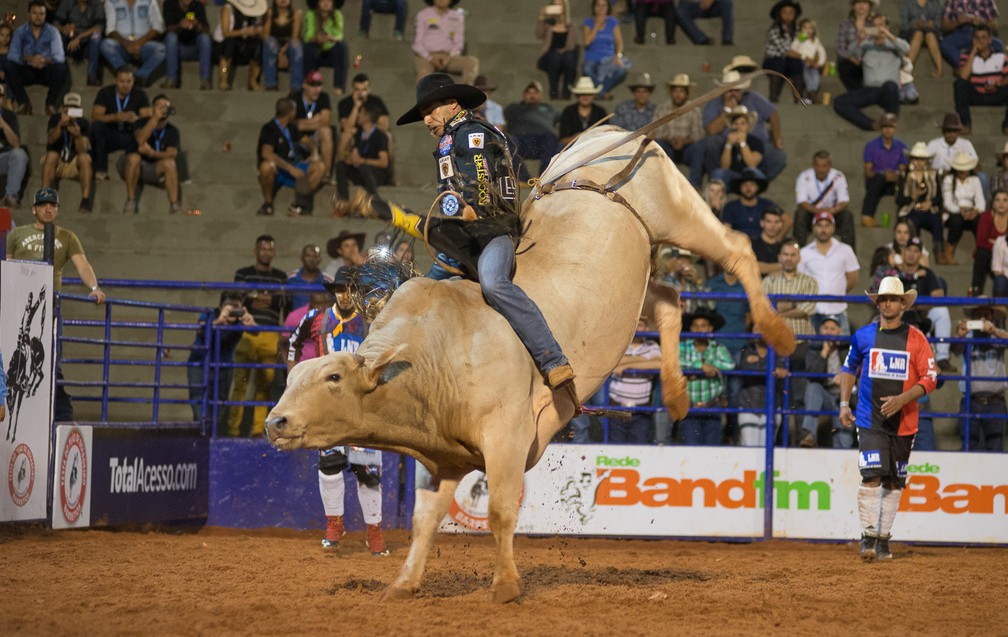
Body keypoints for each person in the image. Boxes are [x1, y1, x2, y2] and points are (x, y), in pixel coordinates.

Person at [347, 73, 577, 395]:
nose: (426, 120)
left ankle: (552, 358)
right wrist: (458, 213)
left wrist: (467, 210)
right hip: (465, 238)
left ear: (451, 104)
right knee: (417, 295)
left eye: (430, 111)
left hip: (492, 232)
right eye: (423, 114)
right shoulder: (454, 137)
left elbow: (479, 182)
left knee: (494, 282)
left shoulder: (470, 135)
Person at [287, 268, 389, 555]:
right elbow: (292, 344)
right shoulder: (316, 318)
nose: (345, 294)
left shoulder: (371, 322)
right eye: (341, 289)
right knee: (330, 465)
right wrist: (293, 382)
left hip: (363, 406)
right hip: (329, 407)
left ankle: (374, 532)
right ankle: (334, 524)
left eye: (350, 289)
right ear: (334, 291)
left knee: (368, 472)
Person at [840, 275, 938, 562]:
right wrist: (844, 403)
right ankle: (869, 537)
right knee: (871, 475)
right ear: (879, 303)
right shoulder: (863, 335)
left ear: (902, 304)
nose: (888, 303)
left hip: (904, 421)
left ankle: (882, 540)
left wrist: (902, 399)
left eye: (893, 299)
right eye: (884, 299)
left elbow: (930, 378)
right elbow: (849, 367)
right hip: (870, 418)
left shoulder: (917, 339)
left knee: (894, 482)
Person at [6, 187, 106, 422]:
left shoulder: (67, 237)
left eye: (52, 204)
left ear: (58, 210)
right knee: (15, 361)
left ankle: (61, 416)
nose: (48, 208)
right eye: (43, 205)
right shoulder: (16, 235)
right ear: (34, 209)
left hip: (49, 308)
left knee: (51, 363)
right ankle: (19, 414)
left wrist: (94, 288)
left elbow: (83, 265)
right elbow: (8, 269)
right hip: (19, 305)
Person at [227, 234, 287, 437]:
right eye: (263, 249)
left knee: (265, 385)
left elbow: (279, 302)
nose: (267, 253)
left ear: (274, 252)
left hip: (271, 333)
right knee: (240, 384)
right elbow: (239, 298)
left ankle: (257, 431)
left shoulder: (281, 276)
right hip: (246, 332)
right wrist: (265, 297)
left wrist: (255, 295)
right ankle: (233, 430)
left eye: (270, 249)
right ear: (256, 251)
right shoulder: (243, 273)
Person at [702, 67, 786, 183]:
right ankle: (717, 184)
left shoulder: (752, 97)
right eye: (729, 90)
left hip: (757, 143)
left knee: (779, 157)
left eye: (736, 90)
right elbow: (711, 130)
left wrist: (777, 139)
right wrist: (727, 110)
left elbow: (773, 113)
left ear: (741, 90)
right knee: (710, 142)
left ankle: (756, 184)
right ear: (723, 90)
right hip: (727, 143)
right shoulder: (715, 102)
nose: (733, 94)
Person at [833, 15, 909, 132]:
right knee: (839, 102)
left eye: (882, 25)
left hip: (888, 91)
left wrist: (888, 35)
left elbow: (906, 49)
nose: (879, 28)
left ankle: (890, 122)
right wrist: (859, 39)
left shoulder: (894, 45)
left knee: (891, 86)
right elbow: (851, 53)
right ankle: (872, 125)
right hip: (870, 90)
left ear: (887, 27)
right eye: (875, 26)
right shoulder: (866, 45)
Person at [187, 292, 255, 422]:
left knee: (220, 404)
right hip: (199, 364)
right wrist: (219, 321)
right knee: (198, 404)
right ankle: (202, 435)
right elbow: (201, 329)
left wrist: (252, 323)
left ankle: (211, 434)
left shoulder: (240, 320)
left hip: (224, 366)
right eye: (229, 306)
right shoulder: (209, 314)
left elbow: (257, 332)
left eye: (236, 307)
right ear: (220, 306)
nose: (233, 310)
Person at [894, 236, 956, 373]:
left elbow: (939, 295)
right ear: (903, 252)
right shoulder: (894, 272)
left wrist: (916, 305)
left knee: (941, 310)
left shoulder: (927, 273)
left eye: (915, 251)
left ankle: (942, 357)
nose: (911, 254)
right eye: (909, 249)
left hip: (922, 316)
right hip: (899, 315)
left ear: (920, 255)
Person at [256, 97, 326, 216]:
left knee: (320, 167)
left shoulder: (290, 127)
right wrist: (289, 168)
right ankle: (267, 204)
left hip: (294, 164)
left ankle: (299, 204)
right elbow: (266, 153)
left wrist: (314, 152)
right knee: (266, 167)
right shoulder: (269, 128)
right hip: (279, 169)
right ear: (291, 113)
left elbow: (307, 141)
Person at [952, 304, 1007, 451]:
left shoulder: (999, 335)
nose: (983, 319)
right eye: (978, 316)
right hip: (971, 401)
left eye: (987, 316)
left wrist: (994, 330)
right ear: (972, 319)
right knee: (968, 449)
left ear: (992, 318)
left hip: (996, 402)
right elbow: (954, 350)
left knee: (996, 452)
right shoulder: (966, 336)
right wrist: (960, 336)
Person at [678, 307, 734, 446]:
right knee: (691, 450)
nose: (699, 329)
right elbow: (674, 363)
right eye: (695, 326)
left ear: (710, 328)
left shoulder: (718, 348)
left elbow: (730, 364)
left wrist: (705, 365)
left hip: (712, 408)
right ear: (691, 328)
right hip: (689, 408)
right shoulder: (682, 347)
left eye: (703, 326)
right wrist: (702, 366)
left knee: (711, 451)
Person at [798, 211, 860, 334]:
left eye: (827, 225)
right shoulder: (804, 253)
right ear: (813, 228)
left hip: (838, 309)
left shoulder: (845, 250)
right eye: (820, 225)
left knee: (843, 350)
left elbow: (853, 278)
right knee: (813, 350)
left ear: (833, 228)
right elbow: (800, 281)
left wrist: (838, 290)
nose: (823, 229)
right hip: (813, 311)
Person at [4, 0, 68, 116]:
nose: (38, 17)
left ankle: (50, 104)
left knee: (62, 67)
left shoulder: (53, 32)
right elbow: (13, 55)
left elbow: (59, 57)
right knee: (9, 65)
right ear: (28, 14)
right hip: (27, 70)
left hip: (46, 70)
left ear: (45, 15)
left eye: (41, 14)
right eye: (35, 13)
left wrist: (44, 60)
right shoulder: (20, 32)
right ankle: (24, 103)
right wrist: (30, 59)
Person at [120, 93, 182, 214]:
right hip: (133, 165)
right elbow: (140, 139)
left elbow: (172, 154)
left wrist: (152, 153)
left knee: (170, 163)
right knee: (134, 158)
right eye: (159, 106)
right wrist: (154, 119)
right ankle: (131, 201)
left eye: (166, 107)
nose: (163, 109)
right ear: (152, 109)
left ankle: (174, 205)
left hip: (154, 167)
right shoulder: (140, 123)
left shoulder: (172, 131)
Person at [89, 65, 151, 181]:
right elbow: (95, 116)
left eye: (129, 81)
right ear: (116, 81)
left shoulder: (139, 94)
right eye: (122, 81)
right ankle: (100, 169)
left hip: (130, 135)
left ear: (133, 81)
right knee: (96, 127)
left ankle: (139, 170)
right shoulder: (105, 92)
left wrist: (136, 118)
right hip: (110, 133)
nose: (125, 85)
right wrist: (114, 117)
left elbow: (148, 117)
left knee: (145, 131)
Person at [607, 316, 661, 444]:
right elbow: (613, 362)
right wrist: (644, 359)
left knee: (639, 451)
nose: (637, 328)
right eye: (634, 324)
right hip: (617, 408)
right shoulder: (619, 345)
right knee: (615, 451)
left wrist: (626, 365)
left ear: (647, 328)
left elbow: (660, 364)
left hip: (642, 411)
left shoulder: (652, 345)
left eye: (640, 325)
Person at [953, 24, 1008, 135]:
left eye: (983, 38)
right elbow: (963, 76)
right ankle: (965, 124)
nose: (980, 41)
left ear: (989, 40)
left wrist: (997, 83)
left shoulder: (1001, 57)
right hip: (976, 94)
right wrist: (973, 52)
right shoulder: (966, 56)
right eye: (977, 38)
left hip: (995, 93)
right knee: (959, 84)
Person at [42, 92, 93, 212]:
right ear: (62, 109)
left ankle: (85, 201)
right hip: (57, 162)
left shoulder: (83, 123)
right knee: (52, 155)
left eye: (74, 109)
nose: (71, 112)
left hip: (74, 164)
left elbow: (83, 150)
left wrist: (78, 136)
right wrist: (60, 125)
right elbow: (51, 140)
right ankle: (43, 197)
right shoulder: (55, 119)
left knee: (85, 158)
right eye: (68, 109)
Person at [652, 73, 704, 188]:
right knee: (658, 145)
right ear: (671, 92)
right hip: (668, 145)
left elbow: (698, 134)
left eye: (681, 91)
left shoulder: (694, 110)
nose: (678, 95)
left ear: (686, 93)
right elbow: (657, 132)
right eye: (675, 91)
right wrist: (672, 139)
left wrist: (684, 141)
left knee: (699, 148)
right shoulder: (662, 108)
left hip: (686, 147)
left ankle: (695, 185)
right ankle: (666, 184)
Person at [794, 150, 853, 248]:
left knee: (847, 215)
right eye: (818, 166)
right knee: (800, 214)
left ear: (830, 165)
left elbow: (844, 201)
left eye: (824, 166)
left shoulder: (838, 177)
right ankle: (797, 252)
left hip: (833, 213)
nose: (821, 169)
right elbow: (802, 202)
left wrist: (833, 210)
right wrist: (818, 211)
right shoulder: (804, 177)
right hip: (812, 213)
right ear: (813, 165)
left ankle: (850, 253)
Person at [334, 101, 390, 204]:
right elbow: (355, 153)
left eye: (361, 112)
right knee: (341, 166)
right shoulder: (359, 134)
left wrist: (362, 161)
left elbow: (384, 162)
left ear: (367, 117)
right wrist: (351, 159)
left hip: (375, 173)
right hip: (361, 171)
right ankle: (343, 203)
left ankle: (376, 201)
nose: (358, 115)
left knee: (363, 167)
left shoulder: (380, 136)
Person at [411, 0, 478, 86]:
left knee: (472, 62)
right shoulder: (423, 15)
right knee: (423, 74)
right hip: (425, 56)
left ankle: (467, 94)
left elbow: (459, 43)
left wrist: (450, 57)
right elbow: (417, 43)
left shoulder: (457, 17)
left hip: (449, 56)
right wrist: (430, 58)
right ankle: (424, 98)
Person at [100, 0, 165, 87]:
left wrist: (138, 44)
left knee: (161, 49)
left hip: (143, 44)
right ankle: (124, 71)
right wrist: (127, 45)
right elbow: (110, 29)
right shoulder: (111, 2)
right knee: (106, 44)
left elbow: (158, 27)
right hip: (122, 45)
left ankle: (139, 76)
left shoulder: (150, 1)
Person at [504, 80, 559, 180]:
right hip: (521, 140)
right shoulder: (515, 108)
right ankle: (524, 179)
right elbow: (507, 115)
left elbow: (561, 119)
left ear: (541, 96)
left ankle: (545, 178)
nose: (532, 95)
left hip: (542, 141)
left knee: (551, 138)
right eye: (529, 93)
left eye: (535, 93)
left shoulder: (549, 109)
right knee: (509, 140)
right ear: (523, 95)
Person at [861, 112, 908, 229]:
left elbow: (903, 170)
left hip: (894, 183)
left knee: (906, 181)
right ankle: (867, 216)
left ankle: (904, 220)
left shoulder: (902, 147)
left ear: (895, 128)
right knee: (878, 178)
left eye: (891, 127)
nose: (888, 130)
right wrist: (883, 175)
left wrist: (895, 176)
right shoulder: (871, 146)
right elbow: (868, 172)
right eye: (885, 127)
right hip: (876, 183)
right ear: (881, 129)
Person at [896, 142, 944, 256]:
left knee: (936, 221)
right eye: (916, 159)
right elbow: (899, 199)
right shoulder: (905, 176)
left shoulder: (933, 175)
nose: (919, 163)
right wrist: (912, 197)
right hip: (911, 209)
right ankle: (914, 249)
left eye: (922, 160)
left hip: (928, 210)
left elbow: (939, 197)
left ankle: (939, 252)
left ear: (927, 161)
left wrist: (930, 203)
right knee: (912, 221)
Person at [762, 241, 818, 337]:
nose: (789, 258)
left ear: (799, 258)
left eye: (793, 255)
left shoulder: (810, 282)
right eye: (786, 255)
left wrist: (777, 312)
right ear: (779, 257)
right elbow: (765, 309)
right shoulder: (768, 281)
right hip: (776, 339)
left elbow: (806, 310)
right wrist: (794, 303)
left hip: (802, 339)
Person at [942, 150, 986, 266]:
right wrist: (960, 210)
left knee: (979, 221)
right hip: (954, 211)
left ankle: (981, 251)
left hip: (971, 210)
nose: (962, 171)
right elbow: (948, 202)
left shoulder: (975, 180)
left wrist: (975, 211)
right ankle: (949, 252)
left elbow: (981, 201)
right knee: (956, 221)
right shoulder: (949, 180)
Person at [290, 69, 334, 182]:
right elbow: (291, 124)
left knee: (326, 131)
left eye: (319, 85)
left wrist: (302, 124)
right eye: (312, 85)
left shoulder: (323, 97)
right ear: (305, 85)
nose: (316, 89)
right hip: (299, 138)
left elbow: (325, 122)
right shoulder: (294, 98)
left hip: (316, 137)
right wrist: (314, 121)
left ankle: (326, 174)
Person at [581, 0, 628, 100]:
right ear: (594, 7)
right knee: (587, 69)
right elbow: (586, 42)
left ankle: (598, 92)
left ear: (608, 8)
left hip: (608, 58)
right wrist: (597, 25)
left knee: (622, 70)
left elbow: (619, 42)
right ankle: (603, 92)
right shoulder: (588, 22)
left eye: (604, 5)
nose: (601, 8)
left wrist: (618, 56)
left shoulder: (613, 22)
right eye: (598, 5)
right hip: (592, 58)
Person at [215, 0, 266, 91]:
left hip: (243, 46)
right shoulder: (228, 9)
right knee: (229, 44)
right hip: (224, 47)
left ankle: (253, 80)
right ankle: (223, 77)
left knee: (258, 44)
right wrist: (244, 32)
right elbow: (226, 32)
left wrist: (257, 31)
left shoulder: (255, 13)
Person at [162, 0, 212, 90]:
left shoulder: (197, 6)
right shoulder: (169, 4)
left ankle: (205, 80)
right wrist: (180, 26)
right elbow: (167, 28)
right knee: (171, 37)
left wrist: (197, 25)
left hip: (194, 47)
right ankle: (171, 79)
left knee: (205, 38)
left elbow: (207, 30)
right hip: (175, 48)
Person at [54, 0, 105, 86]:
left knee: (97, 37)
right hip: (69, 40)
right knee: (56, 35)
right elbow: (55, 23)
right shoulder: (67, 3)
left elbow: (99, 27)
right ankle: (57, 73)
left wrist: (79, 37)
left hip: (87, 41)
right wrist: (63, 28)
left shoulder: (96, 4)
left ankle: (92, 75)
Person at [536, 0, 578, 101]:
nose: (557, 8)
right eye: (554, 5)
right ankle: (553, 90)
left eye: (559, 5)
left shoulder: (571, 25)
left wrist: (561, 52)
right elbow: (538, 35)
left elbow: (571, 46)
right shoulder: (547, 24)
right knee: (554, 56)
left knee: (569, 57)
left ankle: (566, 91)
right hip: (549, 57)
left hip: (566, 57)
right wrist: (541, 18)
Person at [939, 0, 1002, 69]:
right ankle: (966, 67)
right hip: (960, 32)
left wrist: (982, 22)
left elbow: (994, 25)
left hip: (979, 31)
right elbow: (944, 26)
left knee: (998, 45)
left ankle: (981, 68)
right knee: (945, 44)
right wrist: (958, 22)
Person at [711, 108, 764, 188]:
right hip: (732, 175)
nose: (739, 127)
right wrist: (728, 145)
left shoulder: (756, 142)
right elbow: (724, 167)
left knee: (754, 172)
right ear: (732, 126)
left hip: (750, 175)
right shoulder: (726, 142)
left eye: (743, 124)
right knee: (718, 173)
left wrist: (742, 143)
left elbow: (752, 164)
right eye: (736, 124)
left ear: (748, 126)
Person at [761, 0, 802, 103]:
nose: (788, 16)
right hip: (773, 60)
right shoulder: (774, 30)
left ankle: (799, 98)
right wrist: (806, 57)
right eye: (785, 12)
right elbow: (786, 50)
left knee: (797, 65)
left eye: (791, 13)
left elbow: (802, 46)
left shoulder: (798, 30)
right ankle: (773, 98)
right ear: (779, 14)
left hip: (790, 61)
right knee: (779, 63)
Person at [303, 0, 347, 94]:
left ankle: (339, 87)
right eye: (323, 0)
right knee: (308, 48)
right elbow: (308, 36)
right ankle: (310, 84)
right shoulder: (311, 14)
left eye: (329, 0)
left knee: (342, 47)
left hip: (331, 50)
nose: (326, 3)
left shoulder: (337, 14)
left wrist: (330, 38)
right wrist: (316, 39)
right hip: (315, 49)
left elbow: (340, 35)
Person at [721, 167, 773, 241]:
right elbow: (726, 230)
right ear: (740, 188)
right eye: (745, 185)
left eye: (752, 185)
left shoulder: (766, 205)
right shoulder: (730, 207)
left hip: (763, 246)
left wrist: (778, 238)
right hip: (738, 245)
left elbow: (787, 220)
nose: (748, 188)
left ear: (757, 187)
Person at [972, 189, 1008, 296]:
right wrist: (1000, 244)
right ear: (993, 203)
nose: (1001, 203)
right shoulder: (986, 217)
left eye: (1005, 200)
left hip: (1006, 257)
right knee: (981, 253)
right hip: (989, 256)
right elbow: (981, 241)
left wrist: (995, 241)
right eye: (998, 200)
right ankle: (976, 290)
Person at [262, 0, 303, 92]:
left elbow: (295, 37)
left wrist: (282, 53)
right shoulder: (270, 13)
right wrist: (268, 16)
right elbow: (265, 35)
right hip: (273, 45)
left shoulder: (296, 14)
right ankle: (270, 84)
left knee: (296, 45)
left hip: (289, 45)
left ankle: (296, 86)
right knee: (270, 42)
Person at [0, 87, 30, 208]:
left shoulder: (9, 116)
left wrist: (3, 125)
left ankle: (11, 196)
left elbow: (16, 144)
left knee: (20, 154)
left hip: (3, 158)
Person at [835, 0, 875, 91]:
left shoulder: (874, 23)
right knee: (844, 67)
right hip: (850, 60)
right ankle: (860, 94)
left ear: (869, 6)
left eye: (864, 2)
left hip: (869, 60)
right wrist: (851, 58)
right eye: (858, 2)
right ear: (853, 5)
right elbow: (840, 48)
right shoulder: (845, 24)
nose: (861, 5)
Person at [899, 0, 944, 78]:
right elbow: (903, 26)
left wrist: (932, 24)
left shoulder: (935, 3)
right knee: (918, 34)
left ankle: (939, 69)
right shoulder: (907, 3)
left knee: (930, 35)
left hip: (930, 32)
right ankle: (907, 68)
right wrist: (915, 24)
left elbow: (939, 24)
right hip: (911, 33)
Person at [557, 76, 606, 146]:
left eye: (589, 94)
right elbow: (563, 139)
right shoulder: (568, 111)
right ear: (577, 96)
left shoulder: (600, 112)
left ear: (593, 96)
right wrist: (577, 138)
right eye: (582, 94)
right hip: (572, 147)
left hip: (596, 146)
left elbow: (606, 136)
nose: (585, 97)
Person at [790, 17, 827, 104]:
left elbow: (822, 53)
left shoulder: (816, 41)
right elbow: (792, 49)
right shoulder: (799, 39)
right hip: (802, 62)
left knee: (815, 77)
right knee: (807, 75)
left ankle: (812, 91)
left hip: (813, 64)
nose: (808, 30)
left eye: (810, 28)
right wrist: (800, 38)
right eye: (805, 28)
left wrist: (819, 63)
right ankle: (812, 93)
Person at [752, 206, 786, 276]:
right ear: (762, 223)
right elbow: (752, 266)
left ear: (781, 224)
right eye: (768, 221)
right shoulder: (752, 245)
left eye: (776, 222)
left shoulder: (785, 246)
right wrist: (780, 266)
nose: (772, 226)